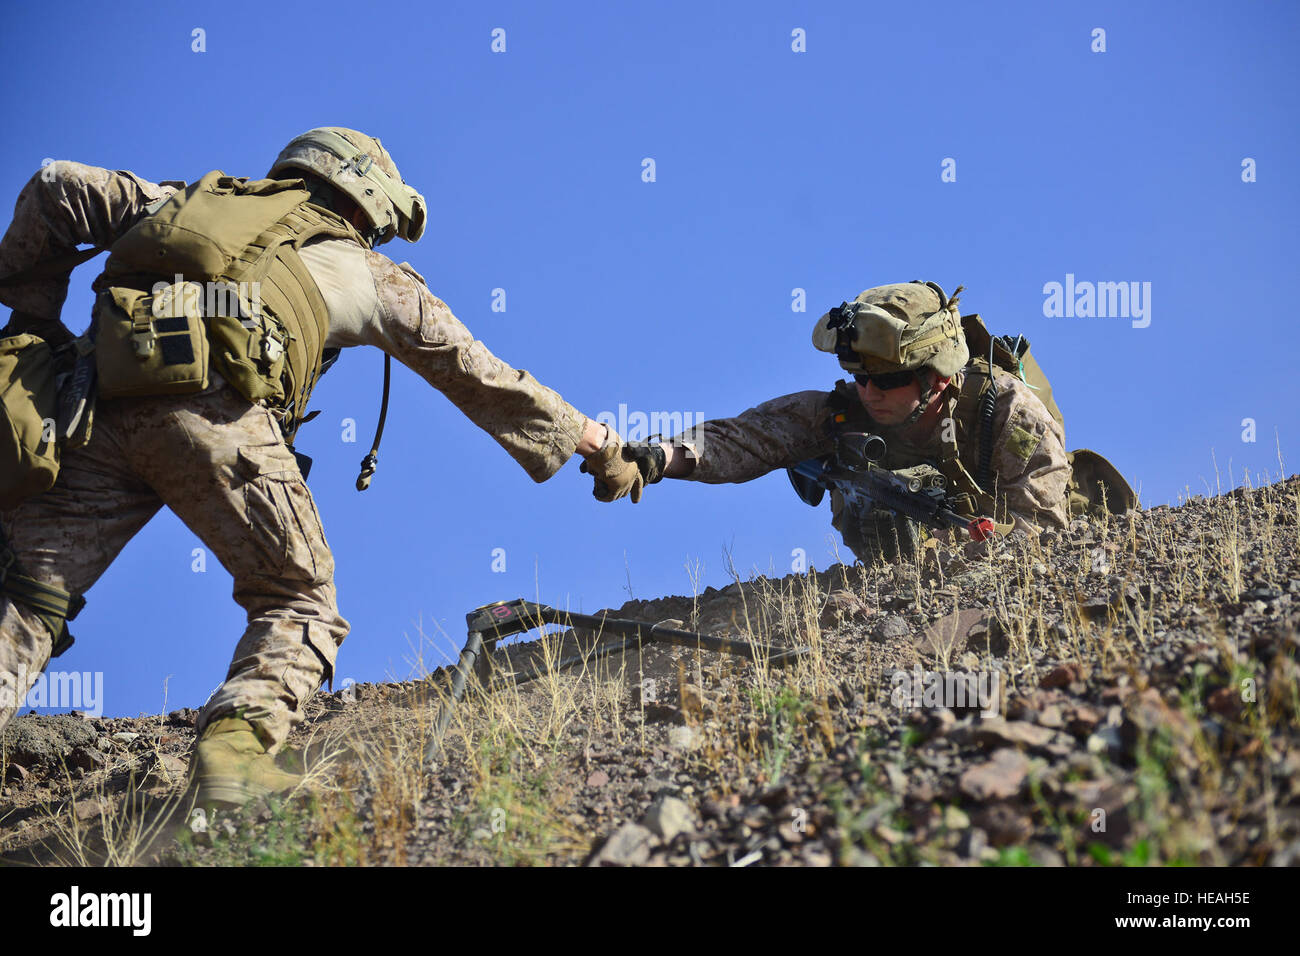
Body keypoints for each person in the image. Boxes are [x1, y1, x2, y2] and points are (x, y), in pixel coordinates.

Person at [0, 128, 643, 805]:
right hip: (219, 421)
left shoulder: (188, 202)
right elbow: (481, 376)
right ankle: (235, 753)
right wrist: (598, 444)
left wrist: (33, 322)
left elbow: (56, 186)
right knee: (298, 595)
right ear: (364, 199)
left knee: (28, 601)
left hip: (90, 418)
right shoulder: (368, 272)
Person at [620, 280, 1132, 565]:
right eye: (859, 378)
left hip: (1021, 565)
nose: (869, 393)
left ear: (937, 378)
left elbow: (1041, 532)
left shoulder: (1009, 413)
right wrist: (656, 459)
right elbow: (745, 439)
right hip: (904, 591)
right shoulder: (844, 412)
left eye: (887, 382)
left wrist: (954, 555)